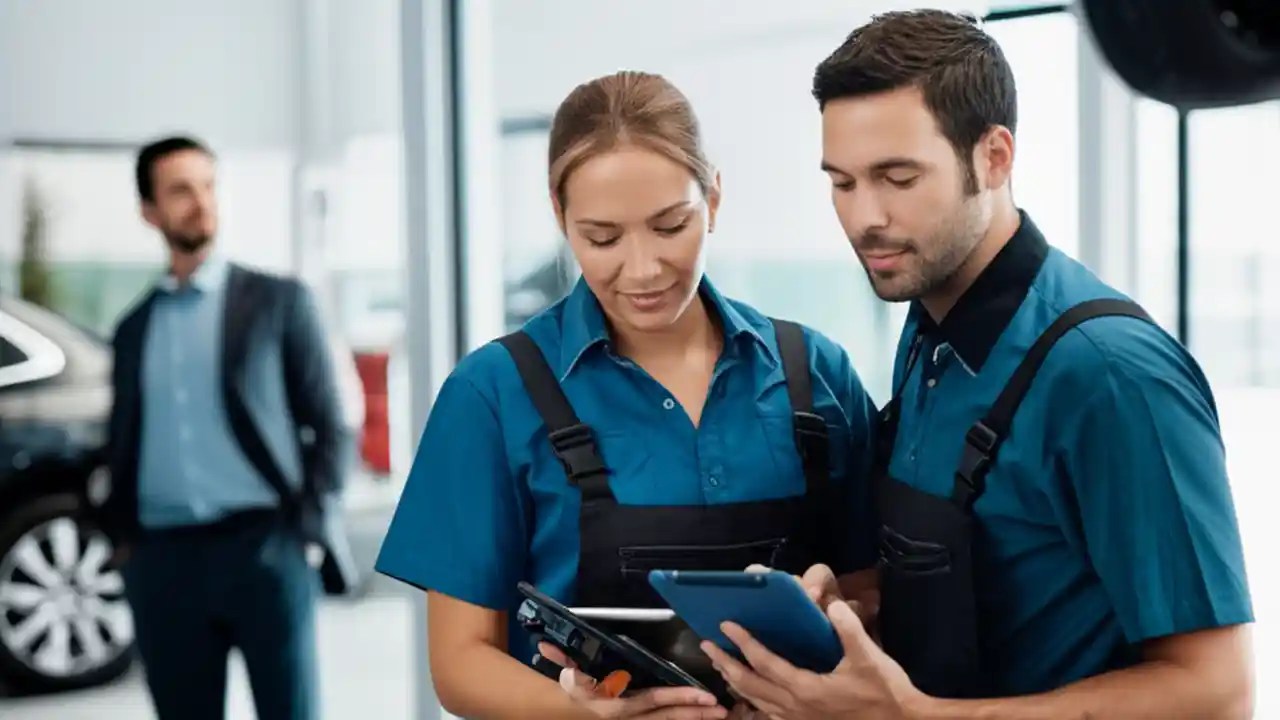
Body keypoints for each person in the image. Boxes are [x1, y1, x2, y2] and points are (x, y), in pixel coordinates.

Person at [703, 10, 1256, 719]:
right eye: (841, 182)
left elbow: (1216, 691)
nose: (863, 217)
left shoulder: (1111, 375)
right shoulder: (927, 327)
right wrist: (850, 609)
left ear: (994, 157)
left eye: (897, 177)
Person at [374, 70, 879, 719]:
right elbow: (460, 662)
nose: (642, 270)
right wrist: (590, 717)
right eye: (603, 238)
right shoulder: (492, 395)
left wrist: (838, 607)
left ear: (714, 198)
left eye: (670, 226)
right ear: (560, 216)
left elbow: (873, 596)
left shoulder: (816, 373)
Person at [100, 135, 355, 720]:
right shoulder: (134, 327)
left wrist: (310, 529)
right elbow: (122, 439)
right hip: (162, 563)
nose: (201, 202)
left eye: (209, 185)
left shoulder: (277, 302)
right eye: (180, 190)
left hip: (264, 551)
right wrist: (125, 543)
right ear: (149, 212)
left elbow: (330, 423)